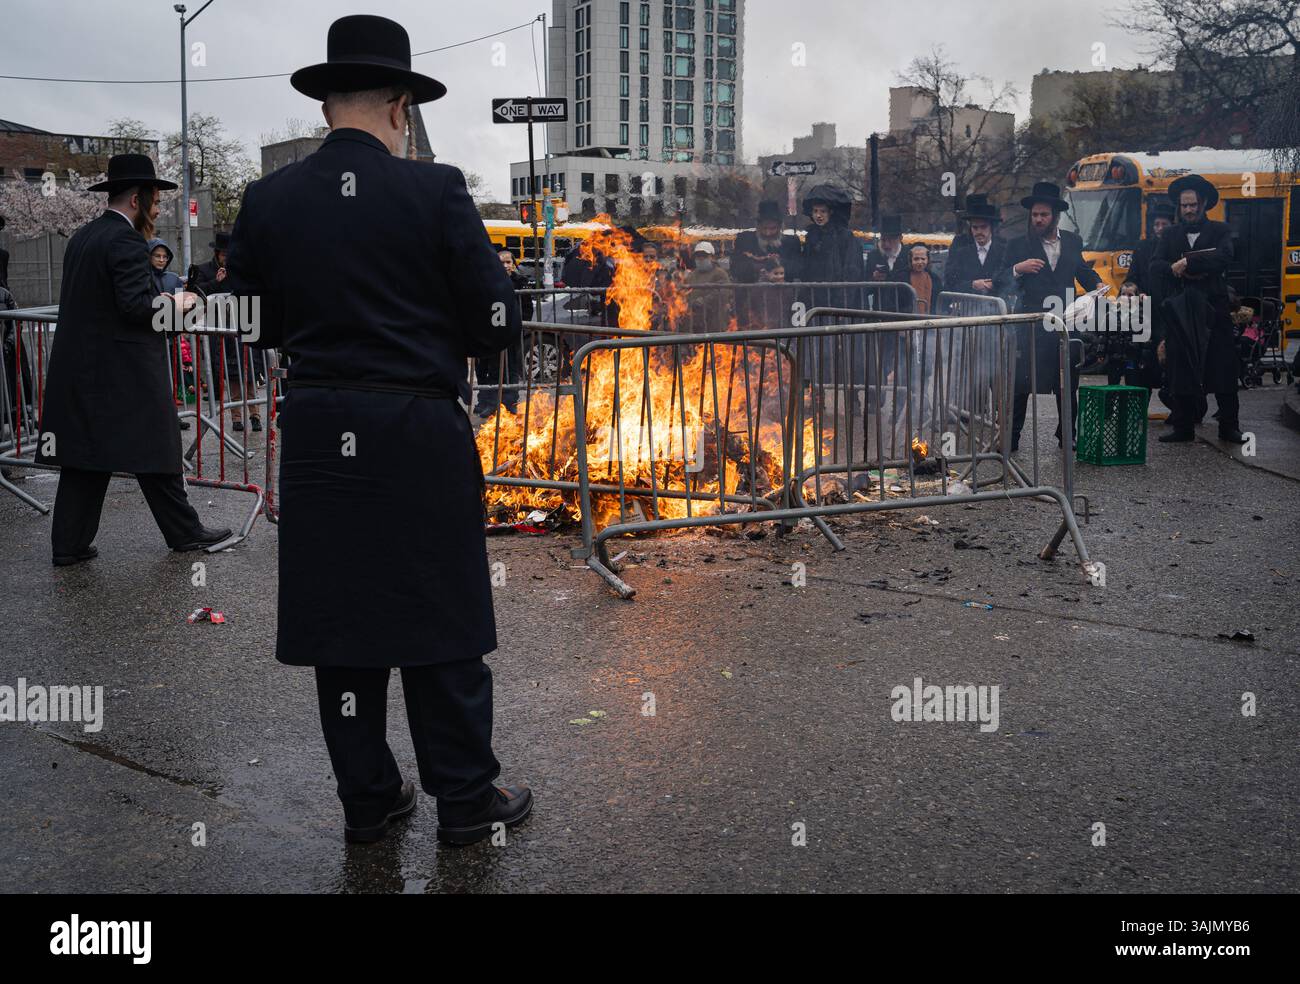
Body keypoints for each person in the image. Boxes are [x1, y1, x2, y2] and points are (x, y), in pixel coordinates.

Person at [224, 14, 531, 846]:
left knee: (343, 621)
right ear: (401, 105)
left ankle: (368, 800)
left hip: (322, 428)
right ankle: (467, 802)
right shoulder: (435, 190)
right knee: (441, 617)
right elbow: (497, 322)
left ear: (328, 104)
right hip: (418, 428)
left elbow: (248, 325)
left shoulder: (268, 200)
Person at [35, 153, 230, 565]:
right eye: (156, 202)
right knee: (157, 449)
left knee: (85, 457)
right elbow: (135, 306)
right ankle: (185, 532)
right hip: (123, 372)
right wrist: (182, 304)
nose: (158, 211)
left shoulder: (84, 236)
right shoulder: (125, 240)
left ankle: (69, 544)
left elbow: (106, 302)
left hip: (84, 369)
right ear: (138, 200)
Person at [995, 180, 1102, 452]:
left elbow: (1082, 271)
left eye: (1044, 214)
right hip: (1030, 325)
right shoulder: (1017, 244)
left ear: (1055, 216)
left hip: (1065, 323)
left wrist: (1098, 285)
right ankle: (1011, 438)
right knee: (1021, 385)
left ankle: (1067, 434)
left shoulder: (1073, 241)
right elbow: (998, 280)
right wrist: (1018, 269)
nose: (1038, 219)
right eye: (1035, 215)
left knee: (1067, 384)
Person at [1150, 173, 1245, 444]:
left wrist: (1189, 264)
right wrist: (1172, 268)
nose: (1189, 210)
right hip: (1181, 310)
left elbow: (1224, 257)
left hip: (1214, 309)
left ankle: (1229, 426)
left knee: (1224, 366)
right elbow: (1155, 266)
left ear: (1203, 204)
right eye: (1184, 205)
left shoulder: (1221, 230)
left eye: (1193, 205)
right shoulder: (1169, 234)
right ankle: (1183, 426)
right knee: (1180, 367)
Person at [1118, 201, 1174, 406]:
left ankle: (1179, 407)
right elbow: (1131, 279)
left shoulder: (1178, 248)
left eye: (1164, 225)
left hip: (1170, 315)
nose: (1159, 229)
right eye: (1156, 224)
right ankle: (1138, 407)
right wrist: (1132, 289)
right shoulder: (1143, 248)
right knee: (1141, 365)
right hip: (1146, 316)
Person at [475, 249, 530, 418]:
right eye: (501, 262)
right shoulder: (485, 281)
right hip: (489, 333)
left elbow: (527, 309)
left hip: (510, 335)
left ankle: (510, 402)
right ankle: (487, 402)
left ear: (514, 264)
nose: (505, 265)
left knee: (511, 368)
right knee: (486, 368)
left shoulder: (520, 282)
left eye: (508, 262)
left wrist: (520, 328)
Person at [943, 199, 1006, 299]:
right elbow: (949, 283)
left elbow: (1011, 281)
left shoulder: (1004, 251)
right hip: (968, 309)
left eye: (983, 227)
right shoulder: (961, 254)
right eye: (975, 227)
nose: (979, 231)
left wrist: (994, 284)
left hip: (997, 310)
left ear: (991, 228)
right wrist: (972, 285)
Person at [732, 200, 802, 284]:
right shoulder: (744, 240)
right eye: (764, 228)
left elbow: (798, 269)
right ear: (758, 226)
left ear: (780, 227)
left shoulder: (792, 243)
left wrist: (778, 262)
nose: (767, 233)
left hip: (782, 293)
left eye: (773, 228)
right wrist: (761, 265)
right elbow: (736, 269)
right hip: (751, 293)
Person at [683, 240, 732, 333]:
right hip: (695, 322)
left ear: (712, 257)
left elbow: (723, 292)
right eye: (698, 256)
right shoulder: (692, 275)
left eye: (704, 256)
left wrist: (704, 300)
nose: (700, 258)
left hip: (715, 320)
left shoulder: (720, 273)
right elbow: (686, 294)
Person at [905, 244, 943, 315]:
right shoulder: (902, 277)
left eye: (923, 259)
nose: (920, 262)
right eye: (916, 259)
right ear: (910, 260)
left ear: (928, 260)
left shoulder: (935, 279)